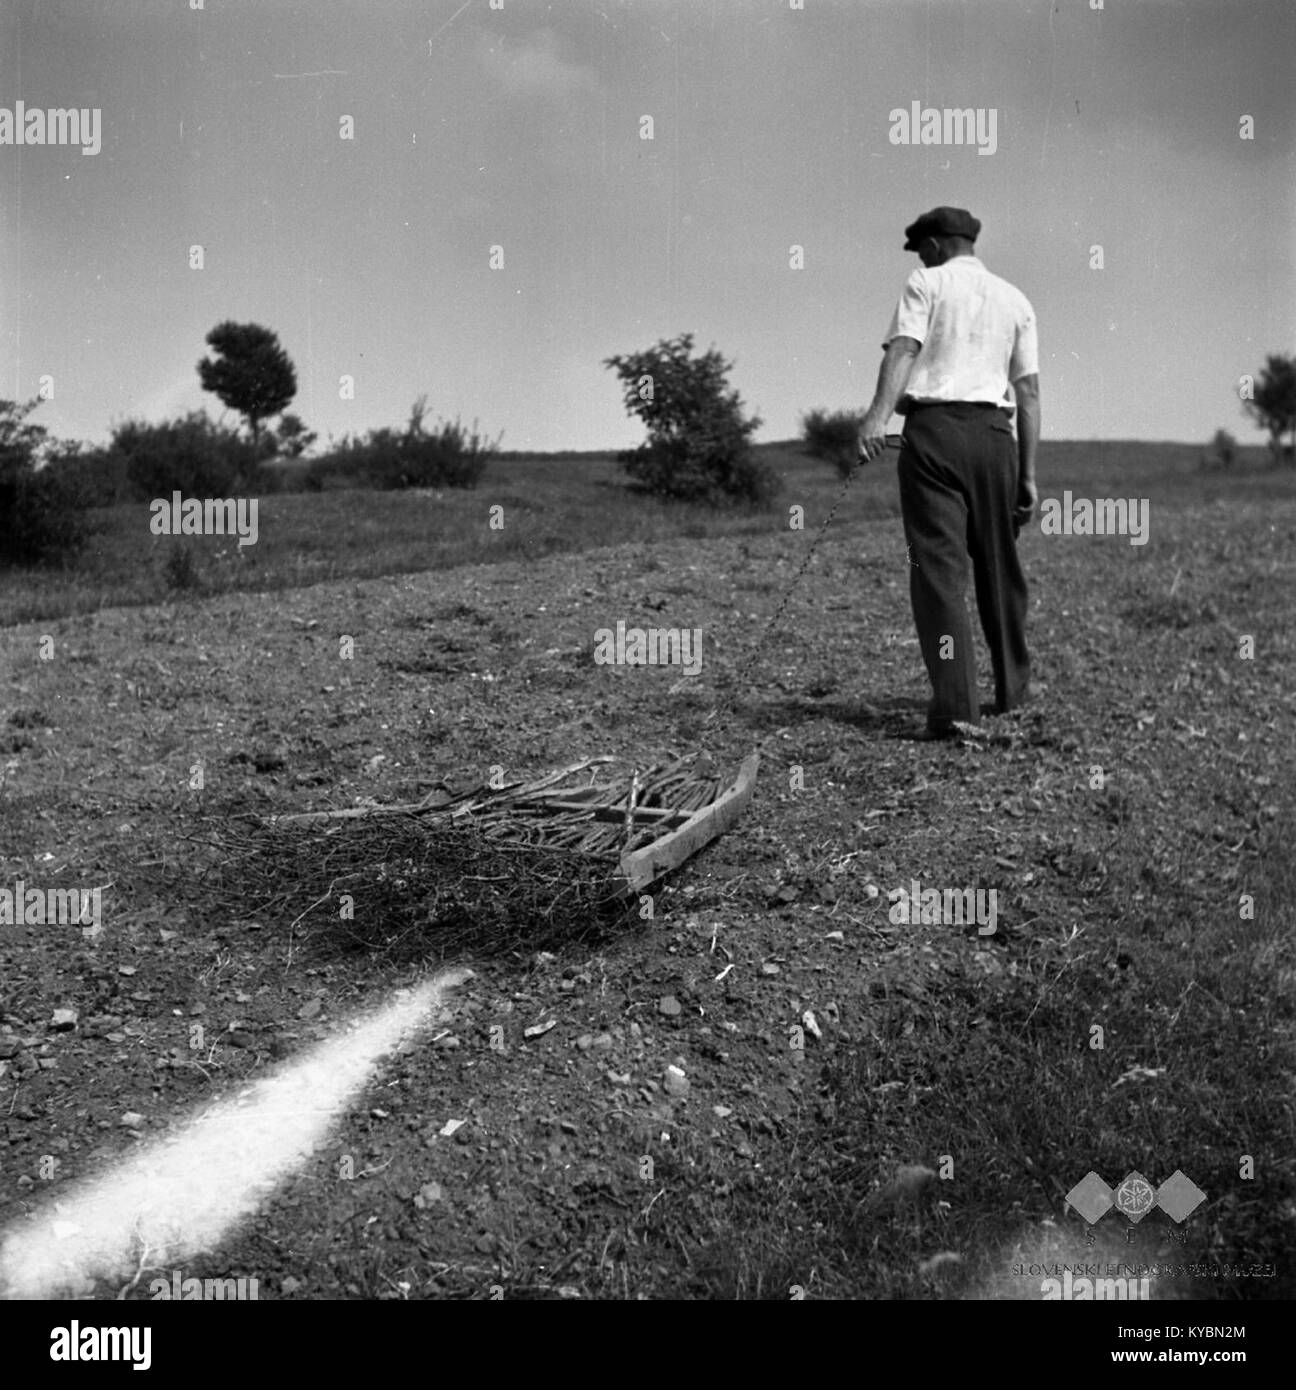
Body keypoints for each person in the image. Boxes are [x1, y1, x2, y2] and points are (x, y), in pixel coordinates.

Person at [857, 206, 1040, 740]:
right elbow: (1027, 392)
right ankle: (1015, 690)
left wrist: (876, 417)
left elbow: (905, 348)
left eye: (922, 249)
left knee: (938, 571)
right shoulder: (1015, 298)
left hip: (934, 434)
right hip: (994, 439)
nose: (920, 258)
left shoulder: (925, 282)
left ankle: (958, 710)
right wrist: (1027, 474)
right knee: (1000, 566)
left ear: (935, 246)